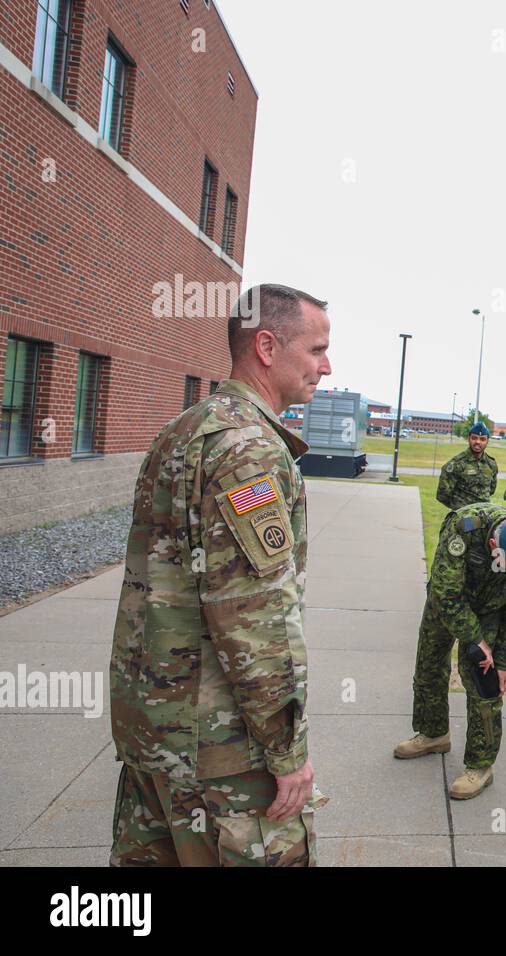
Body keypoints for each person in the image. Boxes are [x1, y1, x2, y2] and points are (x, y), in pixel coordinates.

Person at [108, 284, 331, 867]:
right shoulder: (247, 450)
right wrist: (288, 751)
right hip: (221, 749)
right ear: (265, 345)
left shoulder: (182, 430)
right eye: (316, 350)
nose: (325, 367)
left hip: (153, 733)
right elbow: (255, 619)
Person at [393, 506, 506, 799]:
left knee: (485, 682)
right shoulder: (465, 528)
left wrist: (503, 660)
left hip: (490, 608)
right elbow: (446, 592)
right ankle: (433, 733)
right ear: (494, 545)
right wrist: (474, 638)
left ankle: (481, 765)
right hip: (448, 601)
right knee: (429, 665)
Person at [436, 421, 498, 531]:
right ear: (468, 438)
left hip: (483, 520)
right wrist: (460, 506)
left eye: (482, 439)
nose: (478, 442)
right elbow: (442, 494)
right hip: (462, 520)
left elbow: (491, 490)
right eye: (474, 438)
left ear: (487, 441)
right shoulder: (456, 464)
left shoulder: (491, 464)